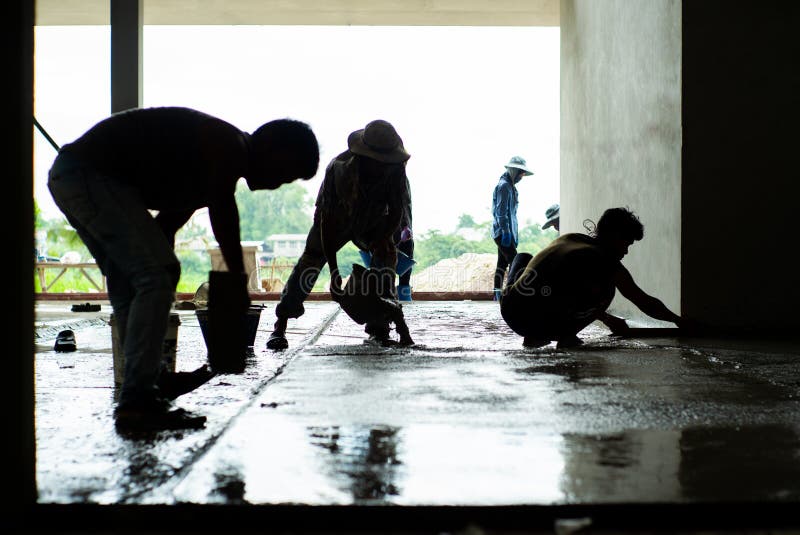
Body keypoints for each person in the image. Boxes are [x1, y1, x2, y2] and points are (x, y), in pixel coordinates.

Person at [47, 106, 320, 431]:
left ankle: (145, 386)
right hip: (87, 174)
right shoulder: (229, 144)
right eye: (286, 173)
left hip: (75, 177)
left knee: (134, 280)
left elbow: (165, 230)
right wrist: (235, 284)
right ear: (274, 148)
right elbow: (223, 210)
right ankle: (140, 395)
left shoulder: (206, 167)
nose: (278, 185)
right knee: (157, 273)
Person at [267, 119, 413, 349]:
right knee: (310, 261)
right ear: (365, 157)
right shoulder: (339, 170)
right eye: (378, 162)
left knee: (385, 260)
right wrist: (334, 272)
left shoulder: (395, 171)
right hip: (338, 218)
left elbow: (396, 210)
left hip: (375, 220)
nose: (382, 166)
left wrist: (384, 238)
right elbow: (326, 224)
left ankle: (380, 326)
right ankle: (281, 323)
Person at [500, 207, 689, 348]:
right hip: (542, 320)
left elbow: (560, 284)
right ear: (614, 236)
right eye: (626, 243)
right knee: (607, 288)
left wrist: (606, 319)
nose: (626, 251)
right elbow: (641, 299)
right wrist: (679, 321)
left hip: (511, 310)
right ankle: (564, 334)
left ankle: (537, 333)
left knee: (522, 257)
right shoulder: (605, 260)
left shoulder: (571, 238)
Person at [492, 156, 533, 301]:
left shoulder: (510, 187)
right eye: (521, 172)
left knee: (502, 264)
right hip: (503, 233)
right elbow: (501, 212)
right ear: (514, 171)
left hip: (508, 233)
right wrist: (506, 231)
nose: (522, 176)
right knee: (515, 261)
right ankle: (513, 294)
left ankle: (497, 294)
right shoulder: (504, 186)